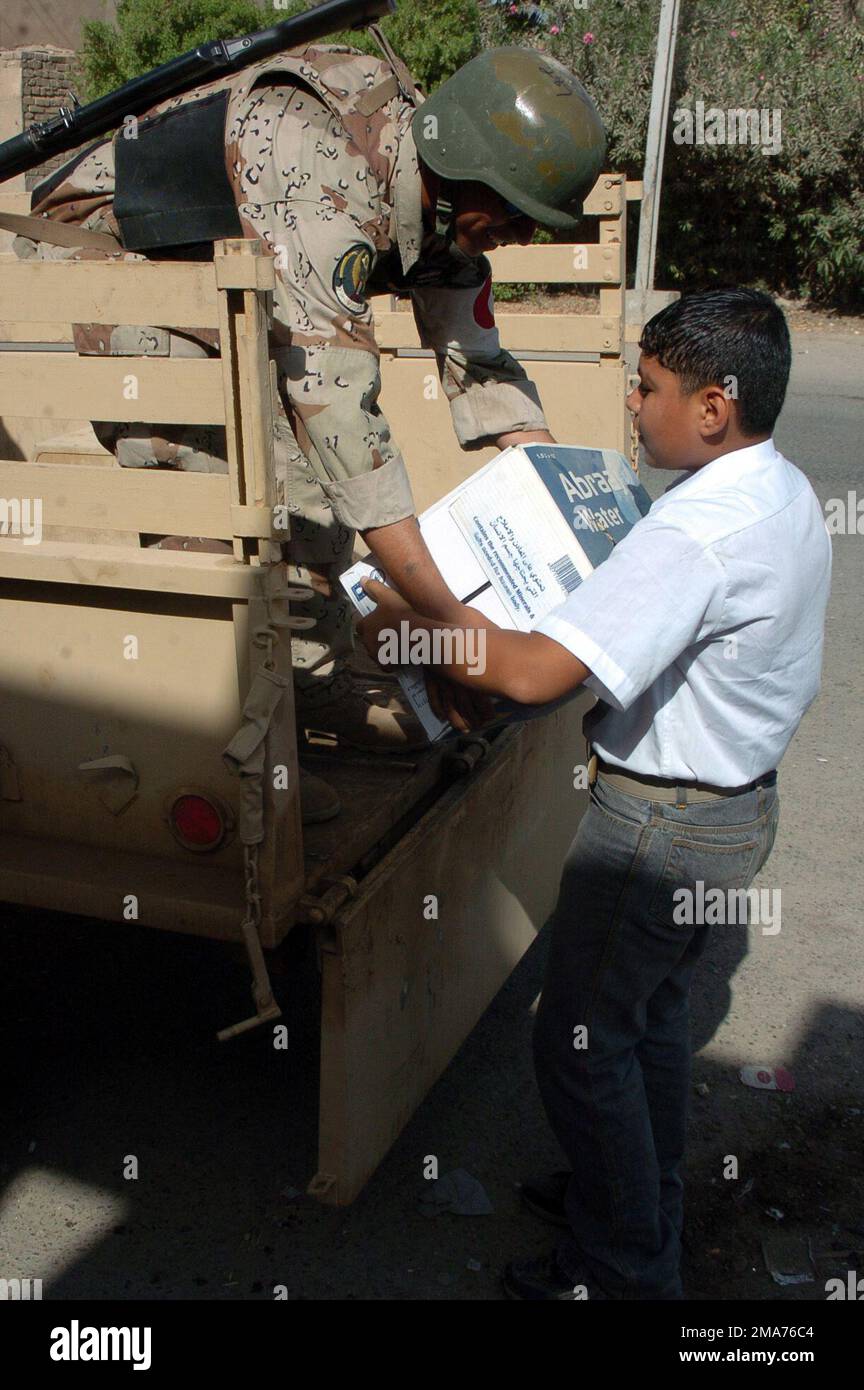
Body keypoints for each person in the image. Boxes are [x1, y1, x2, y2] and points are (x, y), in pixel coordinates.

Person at [358, 287, 832, 1299]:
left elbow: (532, 674)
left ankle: (620, 1269)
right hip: (731, 811)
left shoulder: (699, 529)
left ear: (713, 406)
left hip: (659, 826)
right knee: (647, 1019)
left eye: (648, 386)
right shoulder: (778, 490)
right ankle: (635, 1199)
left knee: (578, 1042)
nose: (630, 403)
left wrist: (405, 619)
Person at [12, 39, 606, 822]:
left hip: (241, 269)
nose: (522, 241)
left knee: (315, 504)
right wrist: (453, 625)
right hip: (129, 258)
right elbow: (339, 414)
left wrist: (571, 509)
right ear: (471, 181)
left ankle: (311, 690)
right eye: (516, 220)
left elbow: (482, 366)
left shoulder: (439, 199)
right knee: (226, 493)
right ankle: (223, 739)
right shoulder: (316, 164)